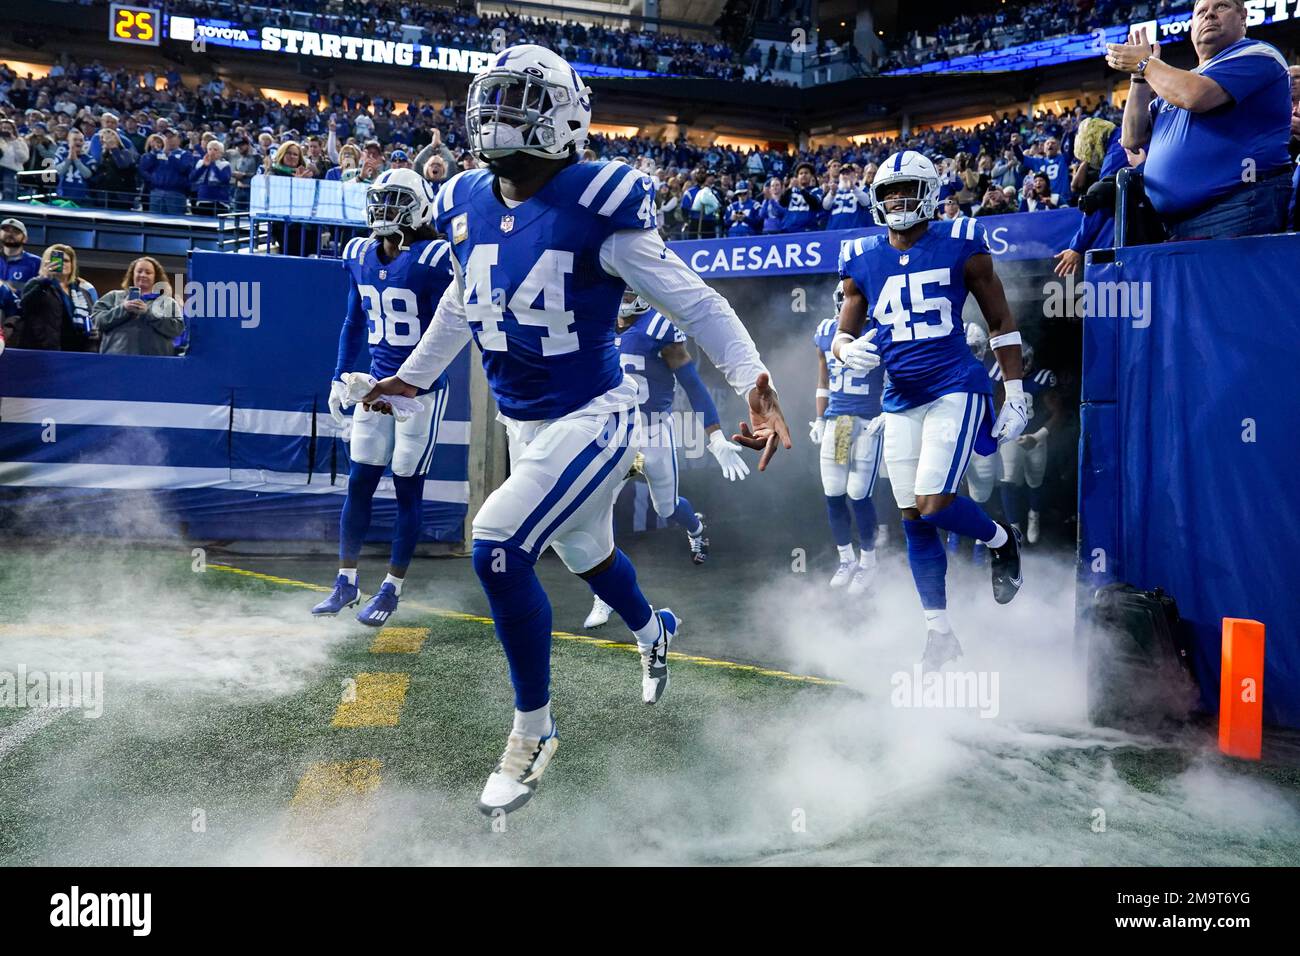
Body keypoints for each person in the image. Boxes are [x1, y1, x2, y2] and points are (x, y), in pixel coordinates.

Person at [363, 45, 789, 816]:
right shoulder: (464, 200)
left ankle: (534, 731)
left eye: (520, 101)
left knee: (496, 544)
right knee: (588, 553)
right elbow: (462, 299)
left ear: (564, 118)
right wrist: (415, 376)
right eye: (493, 98)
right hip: (527, 424)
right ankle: (653, 630)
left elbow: (696, 302)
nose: (499, 116)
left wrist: (752, 381)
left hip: (596, 417)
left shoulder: (600, 204)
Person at [834, 150, 1025, 672]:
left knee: (934, 504)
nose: (897, 200)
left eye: (907, 190)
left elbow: (1000, 320)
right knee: (914, 520)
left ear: (930, 193)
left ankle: (1002, 540)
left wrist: (1015, 390)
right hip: (900, 397)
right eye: (888, 192)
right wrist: (845, 350)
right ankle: (939, 635)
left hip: (954, 387)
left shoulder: (962, 243)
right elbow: (843, 332)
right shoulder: (861, 257)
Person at [313, 169, 454, 627]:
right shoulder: (358, 253)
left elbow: (451, 325)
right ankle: (346, 581)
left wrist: (413, 379)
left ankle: (392, 588)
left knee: (407, 487)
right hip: (374, 388)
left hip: (420, 392)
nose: (383, 209)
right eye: (380, 199)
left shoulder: (435, 257)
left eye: (395, 200)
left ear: (419, 207)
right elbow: (353, 322)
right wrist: (339, 378)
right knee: (360, 482)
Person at [583, 291, 751, 628]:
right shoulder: (596, 320)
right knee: (600, 508)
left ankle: (696, 528)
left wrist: (715, 436)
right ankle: (605, 593)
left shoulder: (658, 328)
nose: (622, 294)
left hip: (654, 431)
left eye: (628, 287)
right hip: (616, 431)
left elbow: (693, 385)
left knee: (666, 507)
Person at [1108, 1, 1292, 239]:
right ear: (1192, 25)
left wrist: (1146, 64)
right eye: (1201, 12)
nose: (1210, 15)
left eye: (1221, 6)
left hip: (1237, 206)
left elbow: (1195, 96)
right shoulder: (1178, 83)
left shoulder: (1258, 54)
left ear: (1243, 16)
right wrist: (1139, 78)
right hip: (1176, 222)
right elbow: (1132, 138)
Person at [811, 281, 884, 595]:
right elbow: (824, 380)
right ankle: (846, 559)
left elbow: (897, 376)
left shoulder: (881, 330)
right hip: (839, 423)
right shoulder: (827, 331)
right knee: (834, 491)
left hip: (868, 421)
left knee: (858, 493)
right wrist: (819, 418)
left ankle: (869, 561)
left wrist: (888, 412)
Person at [993, 343, 1063, 545]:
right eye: (1013, 360)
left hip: (1036, 437)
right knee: (1007, 480)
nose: (1018, 365)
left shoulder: (1042, 378)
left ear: (1030, 360)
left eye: (1022, 361)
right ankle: (1013, 527)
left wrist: (1037, 437)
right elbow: (994, 407)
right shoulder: (1001, 377)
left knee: (1035, 480)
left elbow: (1058, 413)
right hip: (1011, 437)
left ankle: (1034, 515)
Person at [91, 256, 184, 355]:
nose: (143, 275)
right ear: (132, 274)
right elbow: (96, 321)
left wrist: (149, 313)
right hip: (115, 360)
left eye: (148, 272)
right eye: (139, 271)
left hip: (155, 361)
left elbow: (177, 329)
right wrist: (123, 309)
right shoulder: (113, 296)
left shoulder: (168, 302)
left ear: (156, 277)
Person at [12, 244, 89, 351]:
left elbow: (90, 316)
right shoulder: (37, 283)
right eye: (57, 260)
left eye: (66, 261)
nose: (62, 263)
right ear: (46, 263)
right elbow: (25, 307)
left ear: (72, 265)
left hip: (74, 349)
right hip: (43, 348)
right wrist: (45, 280)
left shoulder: (81, 291)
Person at [139, 131, 192, 214]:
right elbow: (145, 169)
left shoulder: (185, 154)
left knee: (175, 220)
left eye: (171, 137)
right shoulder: (156, 154)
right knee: (155, 219)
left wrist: (169, 155)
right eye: (166, 137)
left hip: (176, 193)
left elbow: (184, 169)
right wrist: (153, 181)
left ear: (179, 139)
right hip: (156, 192)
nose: (168, 139)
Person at [190, 140, 232, 216]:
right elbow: (193, 178)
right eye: (209, 149)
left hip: (220, 202)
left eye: (215, 150)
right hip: (203, 200)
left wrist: (212, 164)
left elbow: (224, 179)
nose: (212, 152)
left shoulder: (225, 164)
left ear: (221, 153)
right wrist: (204, 166)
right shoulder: (201, 162)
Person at [1, 218, 42, 290]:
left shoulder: (36, 262)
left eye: (16, 231)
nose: (10, 234)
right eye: (6, 230)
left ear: (25, 239)